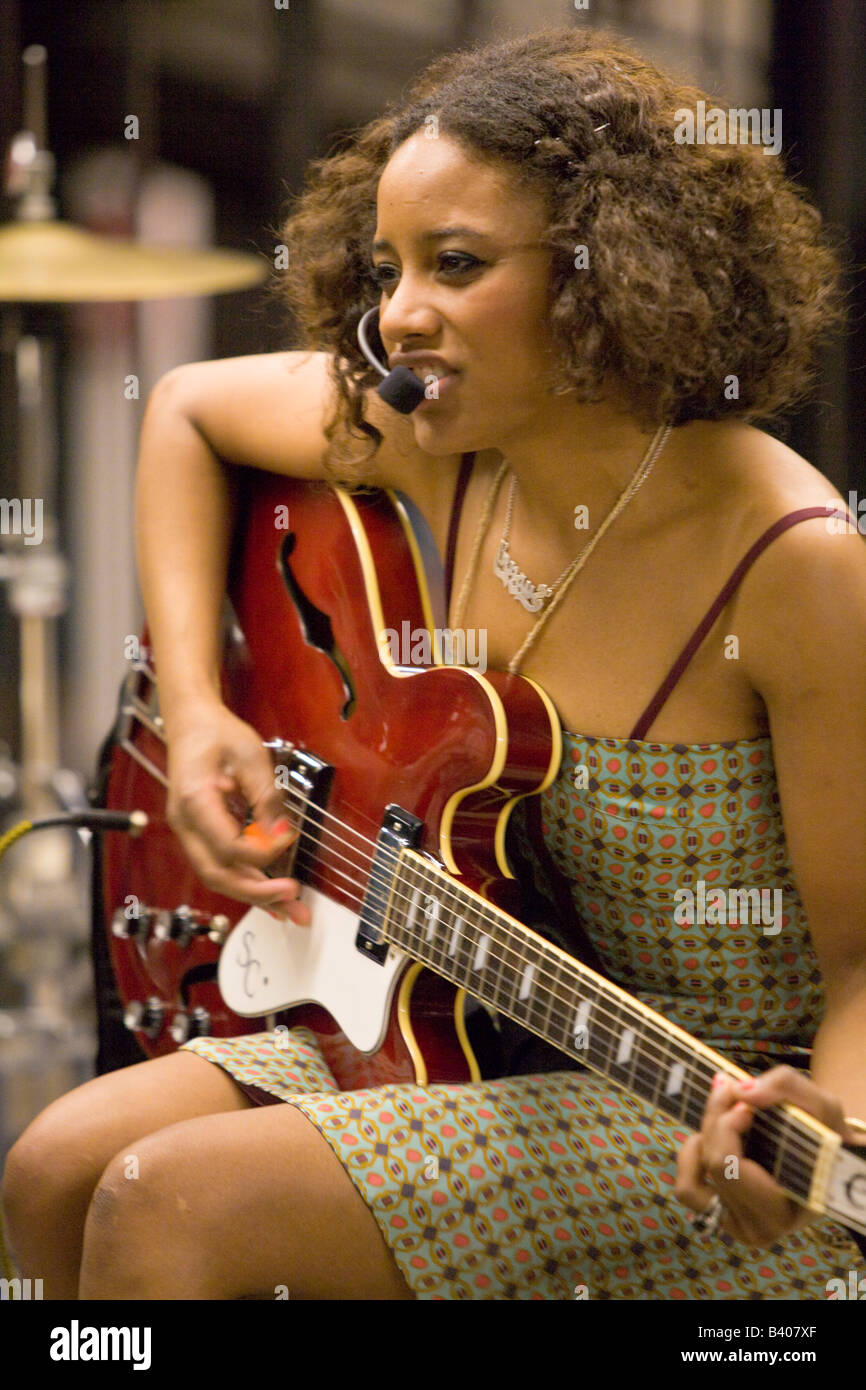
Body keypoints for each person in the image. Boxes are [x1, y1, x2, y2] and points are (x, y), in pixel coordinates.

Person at [4, 24, 866, 1302]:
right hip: (458, 1010)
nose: (397, 318)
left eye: (455, 267)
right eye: (388, 267)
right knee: (53, 1165)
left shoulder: (792, 563)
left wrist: (810, 1142)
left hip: (698, 1105)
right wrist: (195, 718)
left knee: (166, 1207)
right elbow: (183, 409)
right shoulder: (449, 444)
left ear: (605, 275)